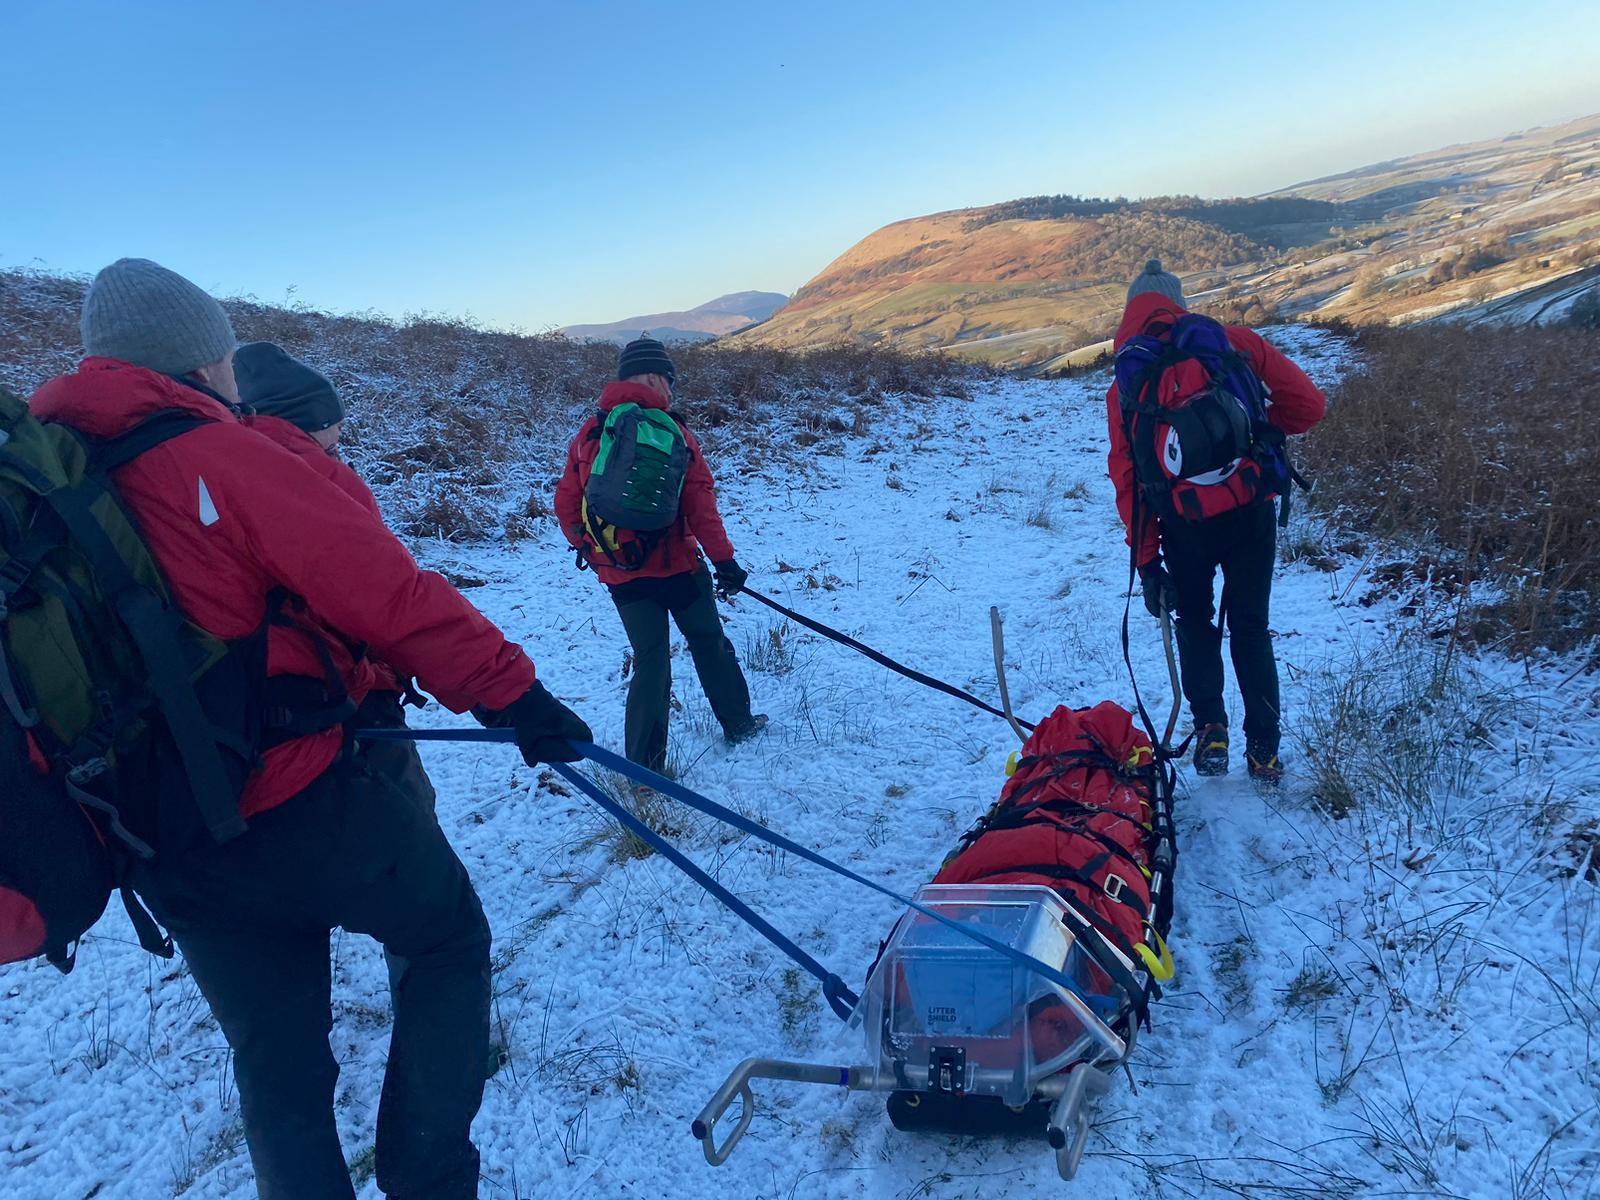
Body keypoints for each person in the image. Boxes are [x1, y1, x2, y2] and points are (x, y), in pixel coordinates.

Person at [30, 259, 591, 1200]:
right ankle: (430, 1181)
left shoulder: (49, 487)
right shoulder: (222, 456)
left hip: (157, 833)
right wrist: (515, 697)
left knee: (275, 1060)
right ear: (199, 362)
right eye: (223, 359)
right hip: (301, 799)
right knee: (447, 940)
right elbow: (389, 593)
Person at [1106, 261, 1326, 784]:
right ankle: (1264, 751)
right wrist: (1260, 431)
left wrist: (1147, 563)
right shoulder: (1233, 343)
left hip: (1184, 524)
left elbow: (1129, 479)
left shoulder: (1127, 384)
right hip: (1251, 507)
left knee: (1195, 622)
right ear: (1178, 302)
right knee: (1251, 627)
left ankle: (1211, 729)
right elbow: (1309, 406)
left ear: (1131, 312)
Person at [554, 336, 765, 773]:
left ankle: (645, 769)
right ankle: (739, 723)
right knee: (708, 641)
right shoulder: (675, 432)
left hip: (623, 576)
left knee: (651, 661)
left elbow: (566, 502)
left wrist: (593, 550)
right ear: (652, 377)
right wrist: (725, 562)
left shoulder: (591, 433)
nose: (671, 389)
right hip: (679, 568)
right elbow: (700, 506)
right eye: (669, 379)